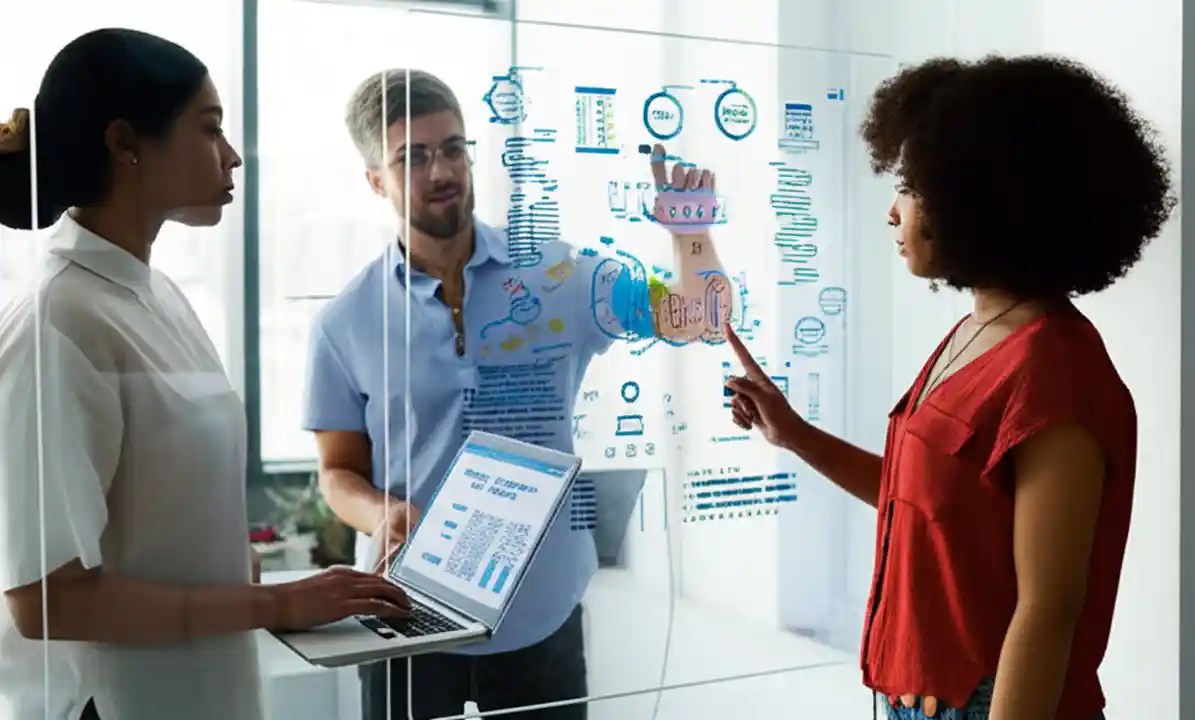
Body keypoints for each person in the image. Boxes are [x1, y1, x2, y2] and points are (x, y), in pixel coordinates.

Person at [723, 56, 1174, 720]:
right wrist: (795, 436)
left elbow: (1049, 607)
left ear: (982, 195)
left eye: (911, 185)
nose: (892, 212)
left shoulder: (1055, 372)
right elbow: (924, 506)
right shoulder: (977, 332)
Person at [0, 29, 409, 720]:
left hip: (202, 688)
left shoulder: (153, 296)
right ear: (126, 142)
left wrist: (239, 573)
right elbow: (46, 599)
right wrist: (278, 601)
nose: (232, 155)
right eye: (210, 128)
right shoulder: (57, 323)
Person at [303, 68, 731, 720]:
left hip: (541, 612)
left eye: (452, 148)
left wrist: (691, 234)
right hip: (409, 613)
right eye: (411, 157)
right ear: (375, 181)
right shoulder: (346, 320)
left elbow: (697, 318)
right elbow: (337, 473)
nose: (441, 170)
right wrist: (380, 514)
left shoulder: (557, 275)